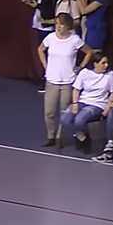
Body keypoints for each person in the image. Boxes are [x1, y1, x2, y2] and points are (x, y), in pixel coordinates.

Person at [38, 14, 92, 146]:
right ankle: (50, 135)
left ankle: (59, 138)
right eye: (56, 24)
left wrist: (80, 67)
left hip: (68, 82)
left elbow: (89, 52)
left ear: (68, 26)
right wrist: (46, 66)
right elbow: (40, 49)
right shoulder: (50, 38)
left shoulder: (75, 40)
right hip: (51, 81)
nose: (58, 27)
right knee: (49, 112)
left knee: (64, 112)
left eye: (61, 24)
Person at [59, 51, 113, 152]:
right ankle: (81, 136)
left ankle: (83, 140)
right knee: (64, 118)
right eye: (103, 63)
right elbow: (76, 89)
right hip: (82, 101)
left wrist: (108, 106)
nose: (106, 65)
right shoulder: (85, 73)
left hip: (97, 104)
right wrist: (75, 103)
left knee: (79, 120)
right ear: (95, 64)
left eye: (106, 62)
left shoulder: (110, 75)